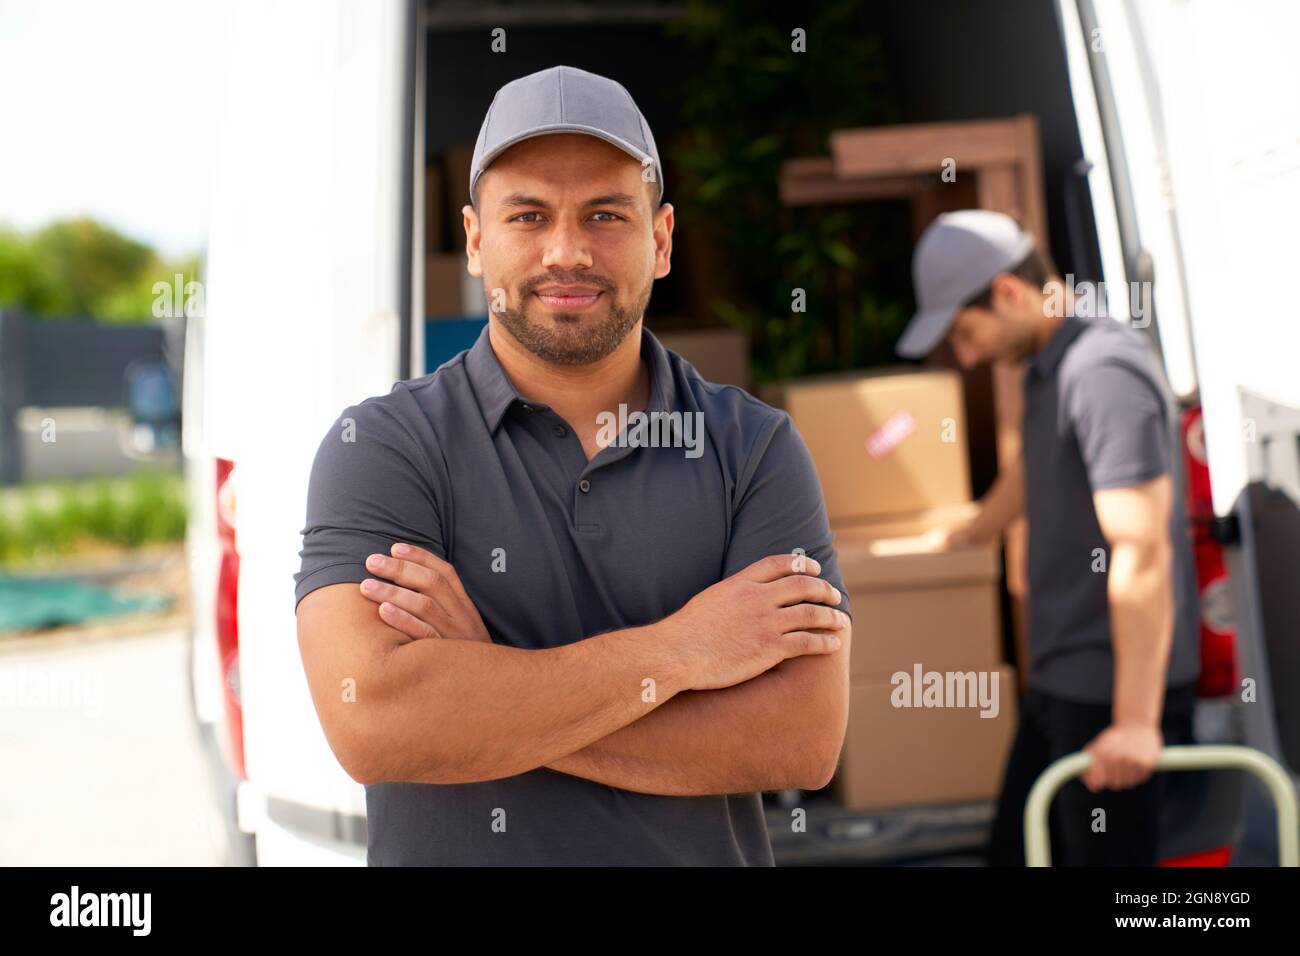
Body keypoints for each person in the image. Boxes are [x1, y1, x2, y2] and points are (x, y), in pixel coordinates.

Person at [293, 65, 852, 866]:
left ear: (660, 241)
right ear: (477, 241)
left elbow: (796, 738)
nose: (568, 251)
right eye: (528, 215)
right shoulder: (383, 448)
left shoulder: (754, 450)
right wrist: (685, 650)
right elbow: (374, 723)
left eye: (605, 214)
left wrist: (481, 686)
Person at [896, 210, 1200, 866]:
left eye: (967, 333)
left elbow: (1143, 550)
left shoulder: (1101, 371)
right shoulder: (1051, 365)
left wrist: (1137, 723)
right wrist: (969, 535)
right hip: (1064, 681)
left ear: (1008, 291)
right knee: (1013, 852)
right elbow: (1036, 463)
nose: (968, 357)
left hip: (1111, 696)